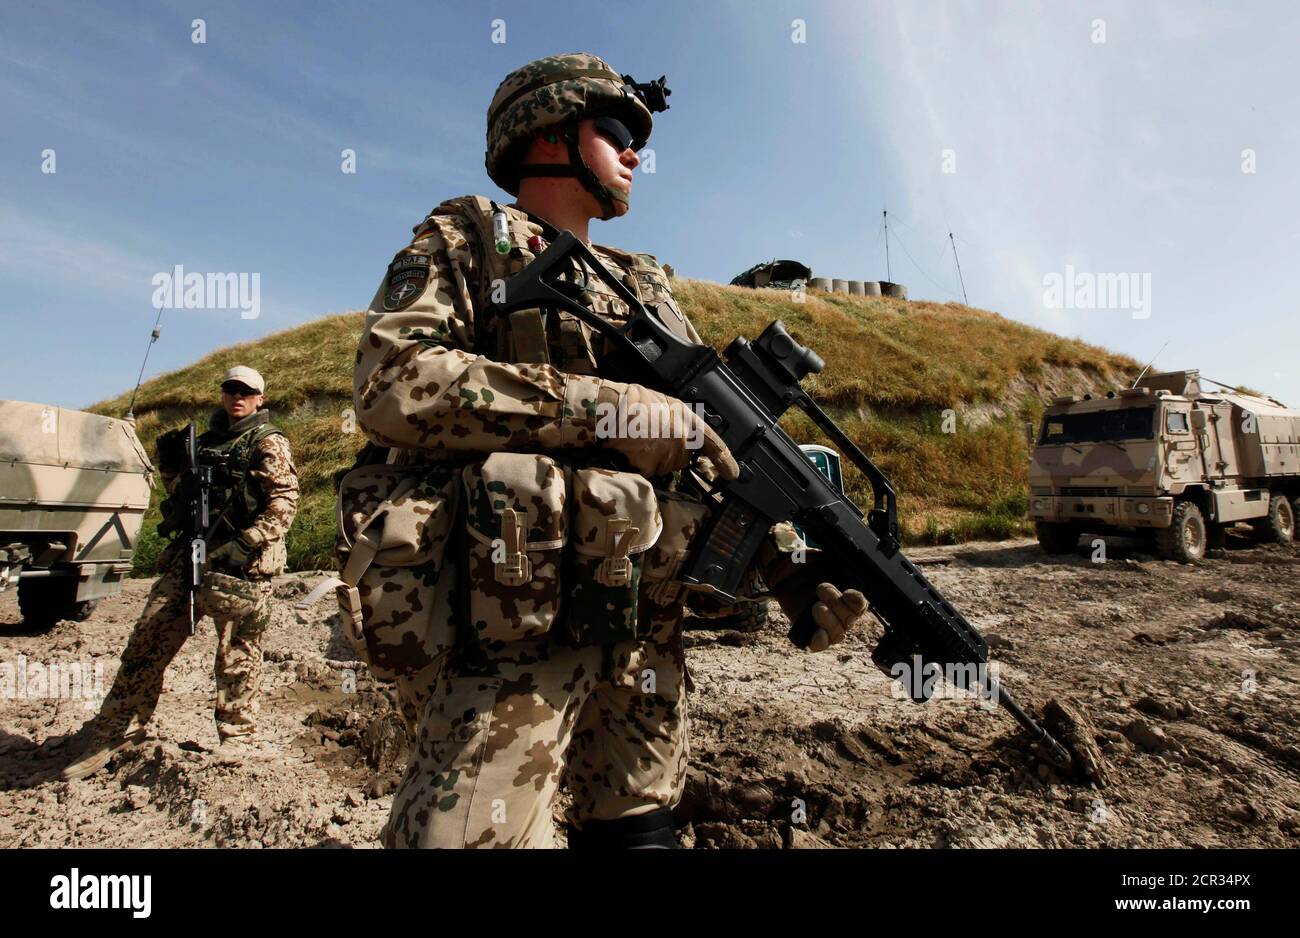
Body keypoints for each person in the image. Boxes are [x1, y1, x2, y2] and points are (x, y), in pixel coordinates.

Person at [348, 52, 866, 848]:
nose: (635, 153)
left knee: (635, 830)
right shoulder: (470, 238)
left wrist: (790, 573)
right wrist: (604, 408)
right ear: (547, 133)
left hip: (640, 634)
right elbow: (395, 382)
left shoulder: (647, 284)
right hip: (511, 626)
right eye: (617, 129)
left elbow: (718, 456)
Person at [63, 366, 299, 779]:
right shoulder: (203, 442)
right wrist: (174, 475)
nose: (237, 397)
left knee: (238, 657)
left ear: (261, 398)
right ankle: (118, 730)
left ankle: (237, 737)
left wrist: (249, 541)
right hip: (190, 557)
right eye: (231, 390)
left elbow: (284, 500)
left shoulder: (268, 442)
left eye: (246, 392)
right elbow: (179, 499)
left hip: (242, 567)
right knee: (147, 640)